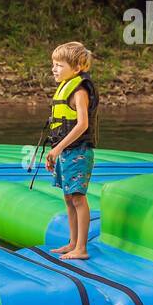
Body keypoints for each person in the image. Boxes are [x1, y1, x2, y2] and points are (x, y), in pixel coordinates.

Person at [44, 41, 98, 260]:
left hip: (78, 151)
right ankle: (72, 242)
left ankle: (81, 249)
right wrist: (54, 152)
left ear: (76, 69)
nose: (54, 69)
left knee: (78, 198)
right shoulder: (66, 87)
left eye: (59, 65)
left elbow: (82, 124)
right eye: (53, 65)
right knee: (68, 197)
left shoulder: (79, 91)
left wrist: (57, 149)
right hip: (66, 151)